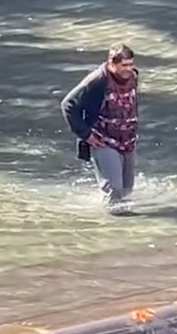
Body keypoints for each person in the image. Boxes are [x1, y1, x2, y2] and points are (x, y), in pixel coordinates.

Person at [60, 43, 140, 215]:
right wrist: (85, 134)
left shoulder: (133, 76)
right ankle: (113, 230)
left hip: (127, 140)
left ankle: (129, 228)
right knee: (114, 190)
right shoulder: (97, 80)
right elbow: (68, 105)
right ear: (112, 63)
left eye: (131, 64)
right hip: (102, 140)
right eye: (124, 65)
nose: (129, 69)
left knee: (127, 190)